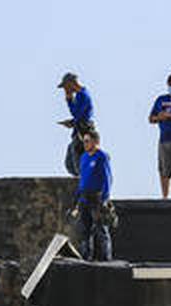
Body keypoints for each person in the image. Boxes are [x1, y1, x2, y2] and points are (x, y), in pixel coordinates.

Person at [74, 128, 113, 261]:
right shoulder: (84, 157)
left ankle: (105, 258)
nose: (85, 144)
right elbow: (82, 178)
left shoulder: (101, 156)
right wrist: (77, 199)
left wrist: (105, 198)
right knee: (85, 229)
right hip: (85, 196)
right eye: (84, 141)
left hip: (97, 196)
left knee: (101, 229)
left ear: (95, 142)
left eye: (87, 141)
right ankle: (86, 257)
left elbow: (107, 178)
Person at [57, 72, 95, 176]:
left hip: (84, 131)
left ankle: (83, 180)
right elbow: (78, 115)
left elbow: (77, 113)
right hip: (80, 128)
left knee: (77, 156)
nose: (65, 90)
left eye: (66, 87)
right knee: (70, 162)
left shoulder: (83, 95)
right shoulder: (79, 95)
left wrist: (69, 99)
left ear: (71, 83)